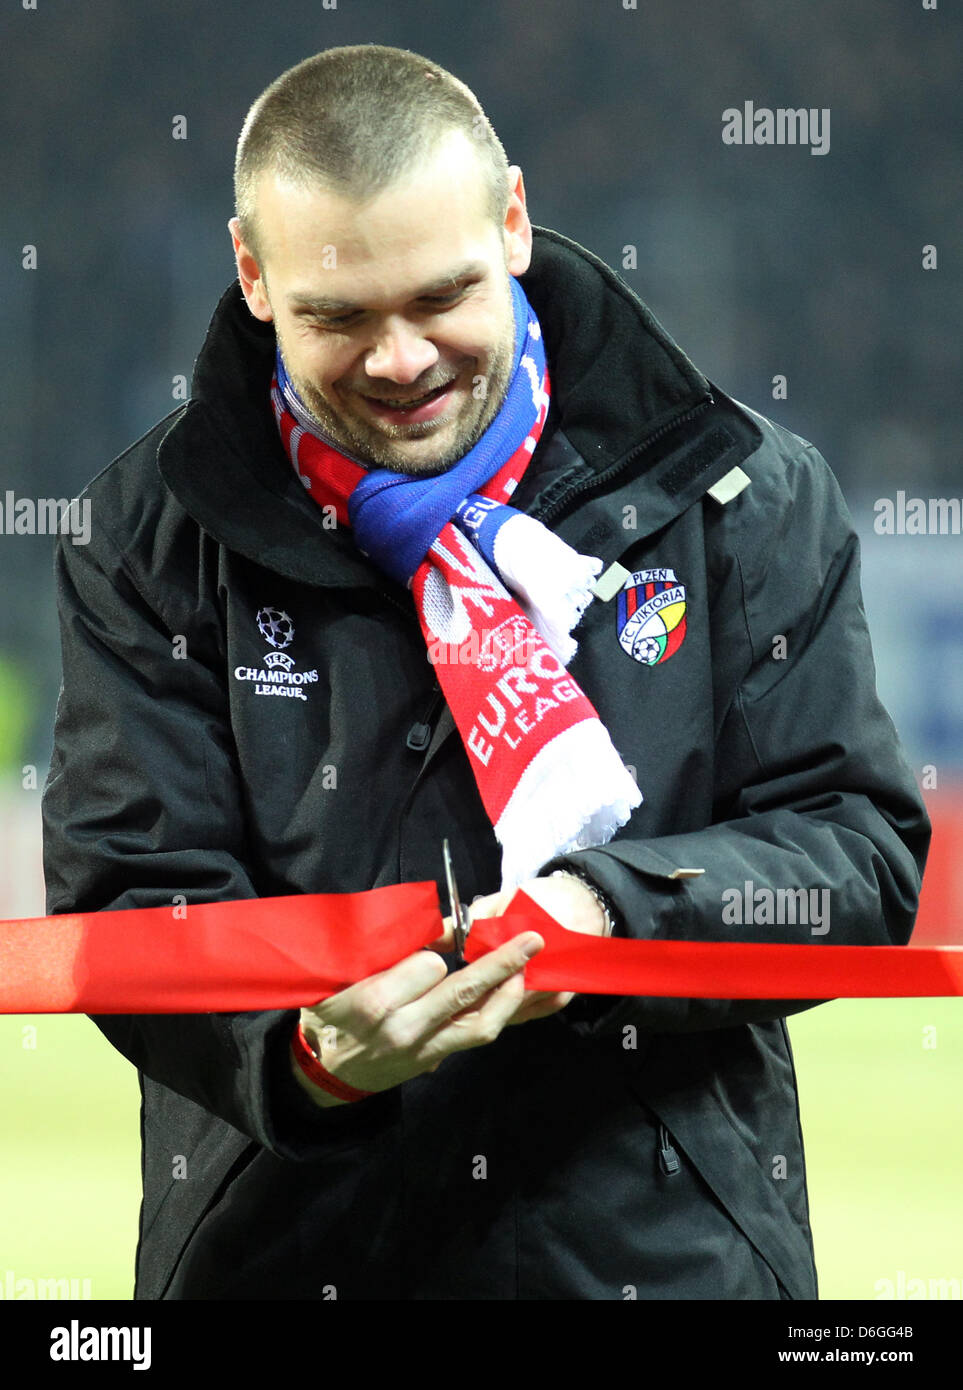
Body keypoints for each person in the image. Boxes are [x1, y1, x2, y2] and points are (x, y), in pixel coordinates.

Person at [41, 44, 930, 1301]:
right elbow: (135, 899)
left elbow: (857, 853)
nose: (401, 360)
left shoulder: (741, 488)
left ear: (513, 224)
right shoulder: (144, 533)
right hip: (287, 1263)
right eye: (338, 317)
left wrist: (612, 912)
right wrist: (303, 1061)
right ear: (253, 274)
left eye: (440, 297)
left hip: (670, 1271)